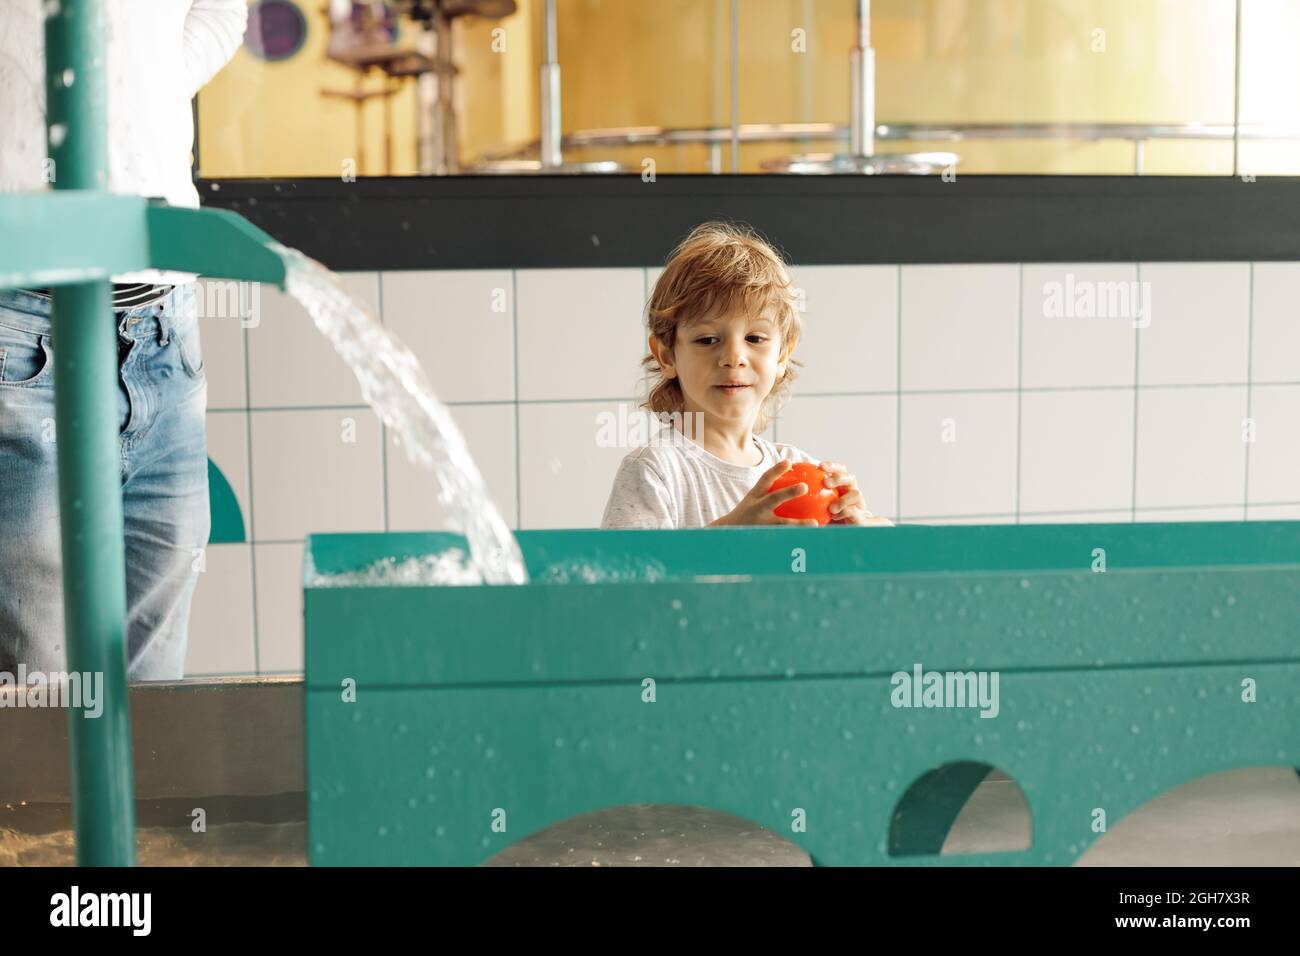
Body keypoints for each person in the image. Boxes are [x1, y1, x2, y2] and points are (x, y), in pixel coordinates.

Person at [0, 0, 249, 680]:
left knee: (153, 688)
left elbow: (225, 11)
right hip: (19, 322)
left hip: (163, 326)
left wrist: (141, 85)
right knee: (40, 684)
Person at [601, 221, 894, 530]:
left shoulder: (795, 471)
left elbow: (856, 569)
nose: (733, 358)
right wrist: (729, 536)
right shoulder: (654, 470)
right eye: (707, 340)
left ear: (782, 354)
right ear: (667, 355)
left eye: (754, 339)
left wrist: (858, 533)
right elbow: (631, 574)